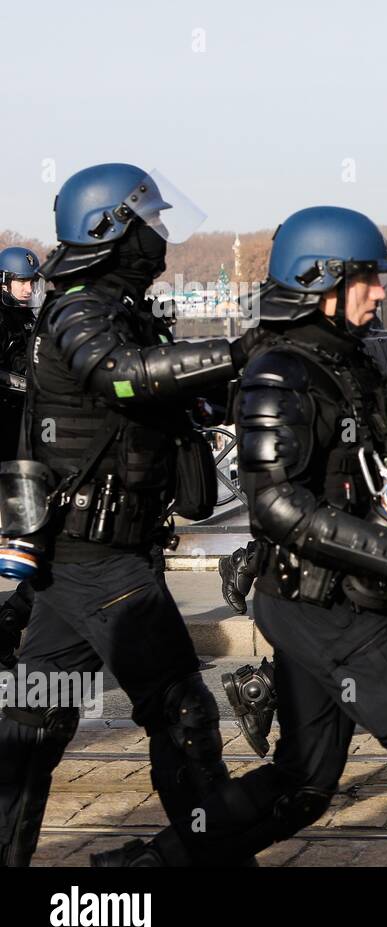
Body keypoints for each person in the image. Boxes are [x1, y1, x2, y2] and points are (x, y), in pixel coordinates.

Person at [93, 205, 387, 867]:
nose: (380, 291)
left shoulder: (353, 364)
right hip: (327, 603)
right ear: (319, 282)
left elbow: (375, 472)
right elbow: (278, 505)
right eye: (365, 278)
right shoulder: (282, 374)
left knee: (302, 785)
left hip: (331, 597)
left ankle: (146, 869)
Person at [0, 163, 248, 866]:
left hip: (90, 556)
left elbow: (157, 398)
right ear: (110, 228)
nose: (161, 236)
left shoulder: (118, 308)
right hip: (98, 561)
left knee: (32, 726)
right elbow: (119, 372)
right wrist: (233, 353)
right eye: (150, 222)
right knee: (183, 719)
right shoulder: (81, 308)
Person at [0, 246, 42, 667]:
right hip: (5, 440)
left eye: (32, 282)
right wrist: (22, 385)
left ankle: (6, 627)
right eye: (21, 282)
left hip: (22, 446)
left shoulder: (30, 318)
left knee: (29, 541)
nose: (28, 288)